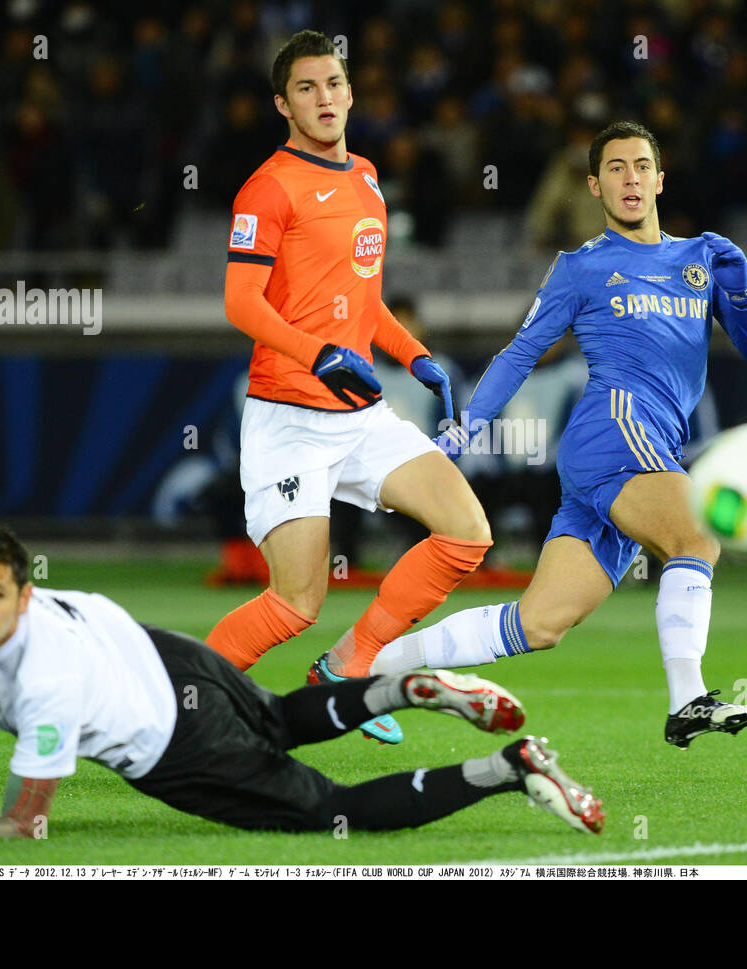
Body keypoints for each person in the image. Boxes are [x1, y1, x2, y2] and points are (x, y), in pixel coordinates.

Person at [367, 121, 747, 750]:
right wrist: (468, 425)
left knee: (540, 622)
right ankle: (688, 696)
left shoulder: (701, 260)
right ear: (594, 186)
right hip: (612, 433)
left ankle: (374, 667)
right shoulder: (581, 269)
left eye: (641, 166)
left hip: (645, 452)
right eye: (615, 168)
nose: (630, 177)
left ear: (661, 180)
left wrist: (742, 288)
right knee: (696, 533)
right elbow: (521, 351)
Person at [0, 522, 604, 840]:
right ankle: (407, 686)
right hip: (170, 656)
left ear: (26, 596)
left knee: (335, 813)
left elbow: (24, 821)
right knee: (276, 716)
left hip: (172, 737)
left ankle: (508, 767)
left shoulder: (45, 679)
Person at [209, 30, 493, 744]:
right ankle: (181, 708)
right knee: (296, 601)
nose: (324, 98)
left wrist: (415, 354)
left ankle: (350, 663)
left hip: (360, 414)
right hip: (289, 418)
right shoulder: (268, 187)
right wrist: (318, 352)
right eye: (305, 88)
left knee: (467, 532)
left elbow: (363, 303)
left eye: (333, 83)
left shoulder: (367, 178)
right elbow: (241, 302)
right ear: (282, 104)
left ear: (351, 92)